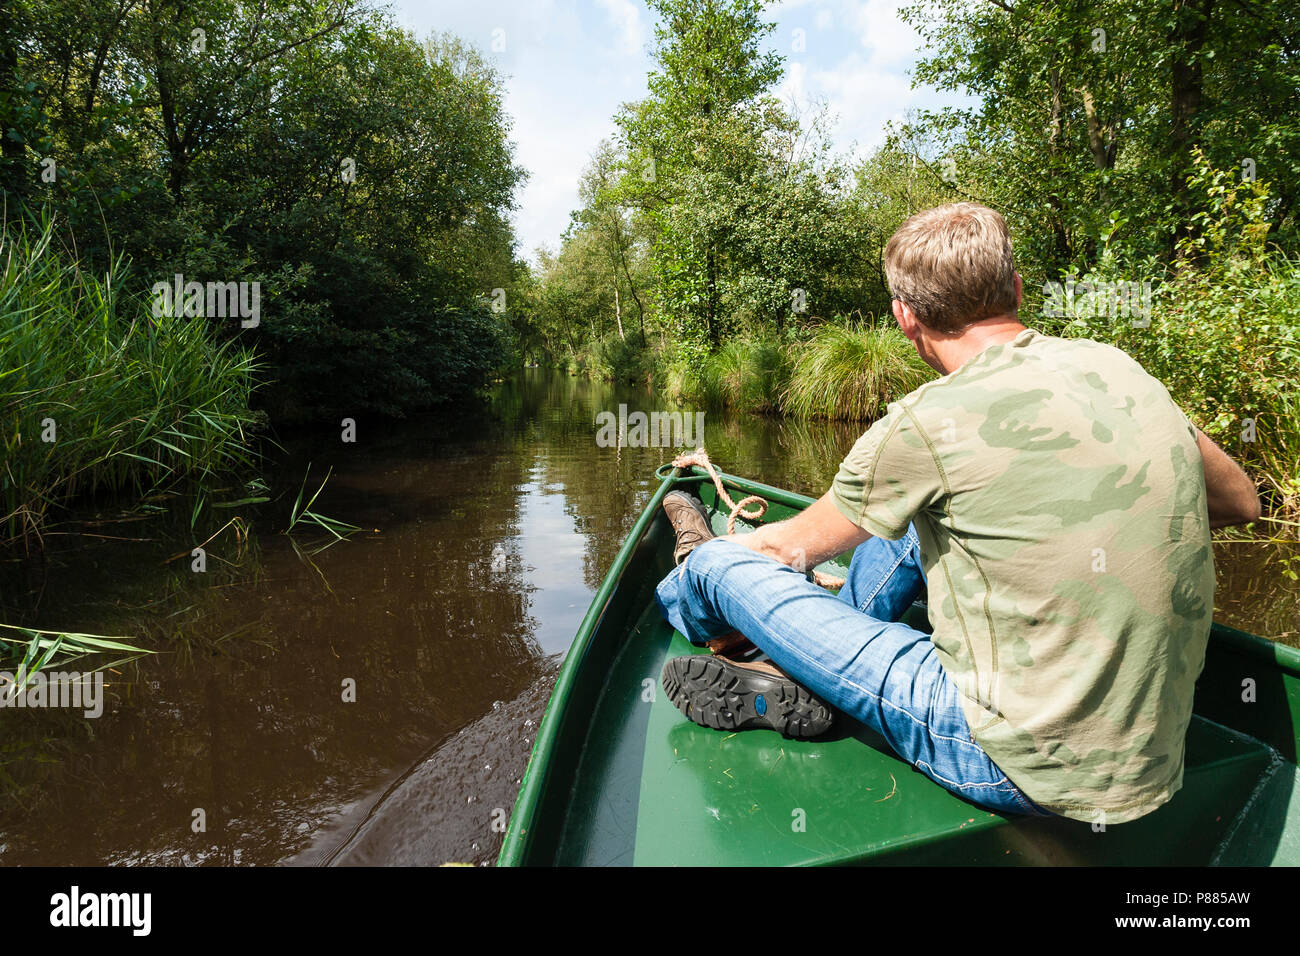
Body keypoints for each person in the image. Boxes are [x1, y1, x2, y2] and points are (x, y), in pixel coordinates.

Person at [653, 202, 1261, 824]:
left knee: (718, 566)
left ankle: (717, 626)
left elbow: (787, 553)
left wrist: (726, 561)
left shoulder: (922, 421)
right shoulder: (1120, 369)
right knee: (913, 525)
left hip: (1002, 761)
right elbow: (1241, 501)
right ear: (1017, 289)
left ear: (904, 317)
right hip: (1157, 759)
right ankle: (807, 671)